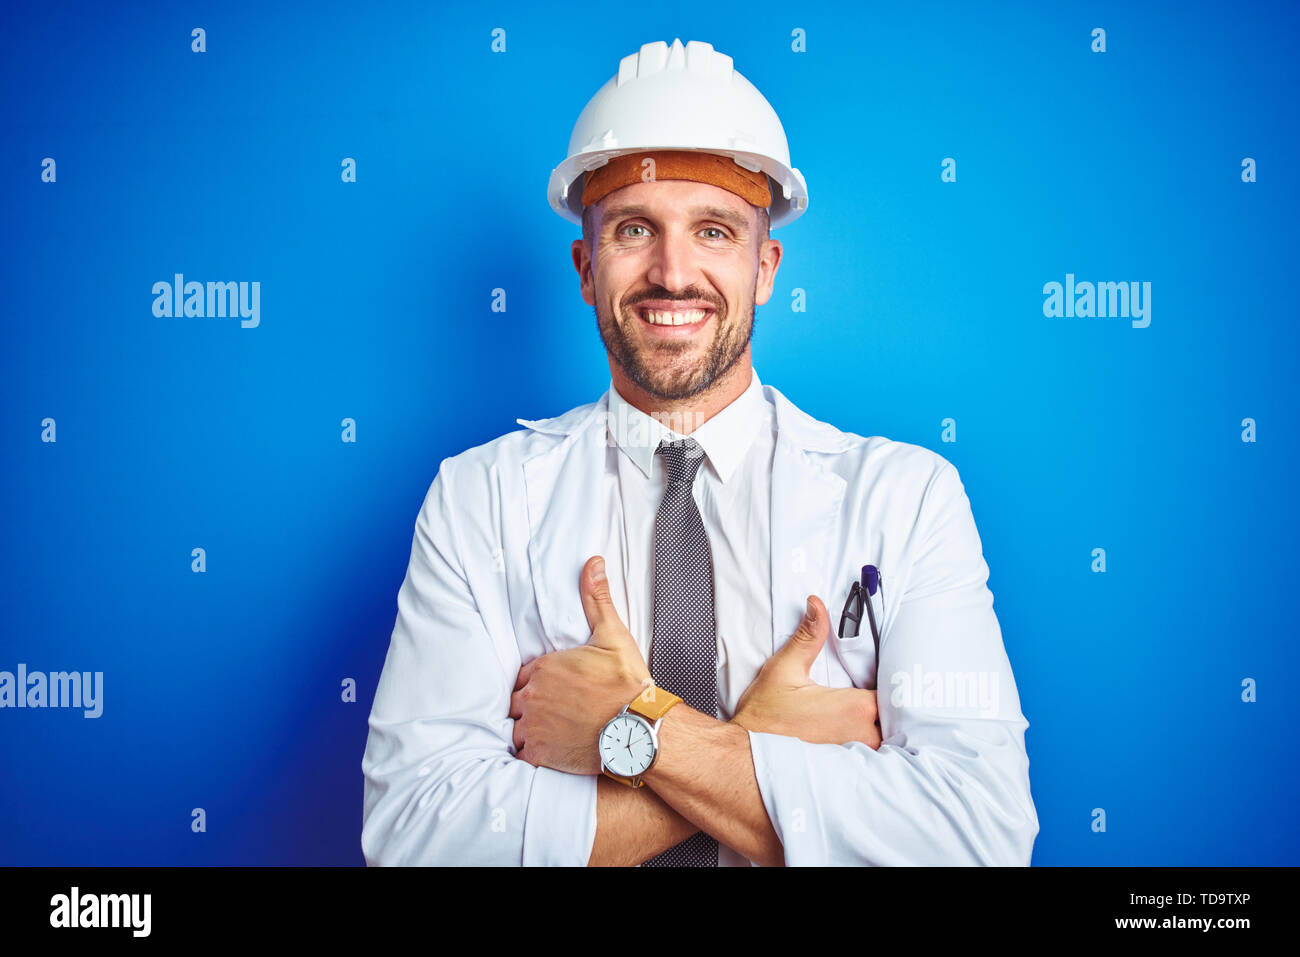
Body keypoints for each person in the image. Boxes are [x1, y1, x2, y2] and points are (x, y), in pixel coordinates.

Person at [361, 38, 1038, 867]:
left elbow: (979, 839)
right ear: (584, 265)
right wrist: (765, 743)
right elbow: (417, 839)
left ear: (764, 266)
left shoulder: (908, 498)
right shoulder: (478, 499)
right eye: (635, 229)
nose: (673, 274)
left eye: (713, 231)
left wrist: (632, 726)